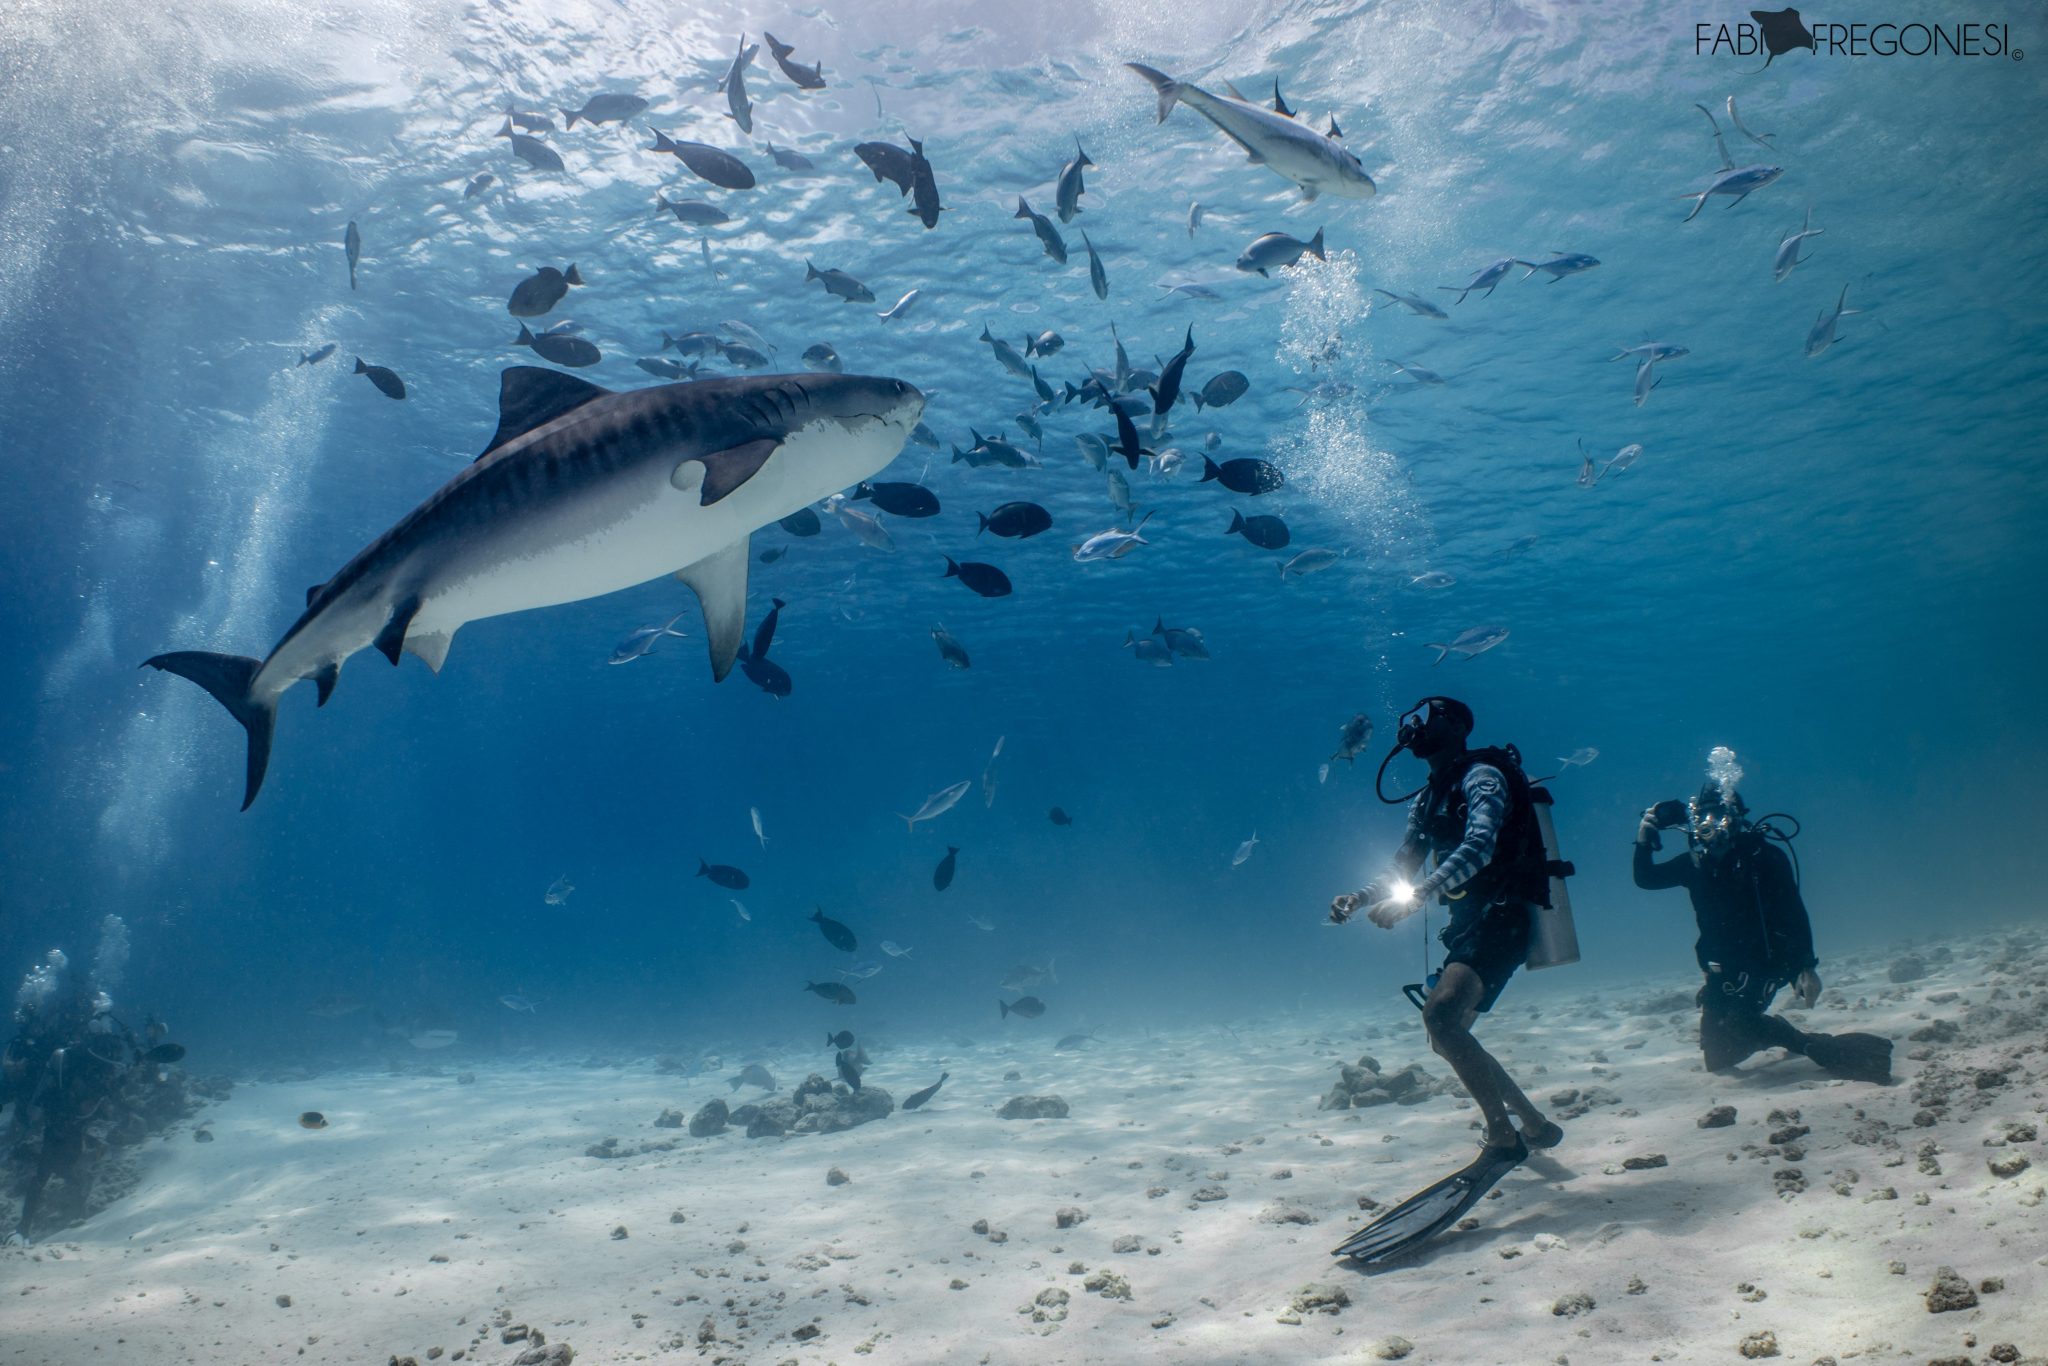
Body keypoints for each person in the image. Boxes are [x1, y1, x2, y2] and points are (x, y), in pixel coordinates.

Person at [1329, 696, 1561, 1160]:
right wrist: (1360, 897)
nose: (1414, 724)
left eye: (1427, 715)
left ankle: (1502, 1137)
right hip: (1470, 921)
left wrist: (1417, 898)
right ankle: (1534, 1125)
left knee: (1440, 1018)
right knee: (1445, 1034)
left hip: (1504, 915)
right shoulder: (1430, 796)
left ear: (1456, 726)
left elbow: (1479, 846)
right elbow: (1402, 865)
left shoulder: (1483, 777)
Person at [1634, 756, 1891, 1082]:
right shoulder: (1693, 865)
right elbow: (1646, 879)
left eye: (1721, 820)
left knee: (1741, 1024)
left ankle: (1811, 1045)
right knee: (1720, 1057)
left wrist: (1805, 965)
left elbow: (1794, 911)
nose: (1714, 831)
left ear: (1737, 819)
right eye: (1705, 822)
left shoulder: (1764, 857)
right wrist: (1646, 835)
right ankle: (1764, 1027)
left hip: (1767, 962)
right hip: (1721, 968)